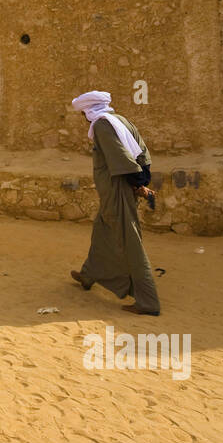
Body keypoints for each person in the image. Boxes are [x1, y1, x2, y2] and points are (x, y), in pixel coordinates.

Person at [68, 90, 160, 316]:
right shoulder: (121, 121)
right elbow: (142, 153)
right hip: (117, 190)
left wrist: (137, 184)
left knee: (130, 243)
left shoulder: (102, 125)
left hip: (116, 190)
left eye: (83, 114)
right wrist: (141, 180)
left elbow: (121, 158)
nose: (83, 118)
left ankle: (148, 302)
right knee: (102, 231)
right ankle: (88, 275)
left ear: (89, 111)